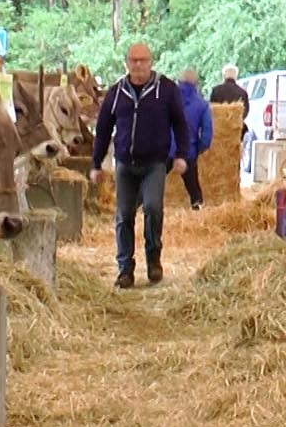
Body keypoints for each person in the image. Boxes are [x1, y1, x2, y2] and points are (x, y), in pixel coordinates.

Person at [92, 43, 190, 289]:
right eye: (133, 60)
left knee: (153, 208)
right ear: (127, 63)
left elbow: (180, 124)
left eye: (142, 60)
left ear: (151, 62)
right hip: (125, 164)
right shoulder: (117, 93)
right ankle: (125, 269)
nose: (138, 65)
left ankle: (154, 259)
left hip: (154, 163)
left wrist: (181, 155)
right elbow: (103, 130)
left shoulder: (166, 90)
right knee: (124, 216)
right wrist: (96, 163)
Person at [175, 69, 214, 210]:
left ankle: (134, 208)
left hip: (165, 149)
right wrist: (198, 148)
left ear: (179, 81)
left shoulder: (167, 99)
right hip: (187, 151)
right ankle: (197, 209)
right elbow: (207, 134)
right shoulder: (202, 104)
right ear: (196, 84)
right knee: (194, 190)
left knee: (152, 184)